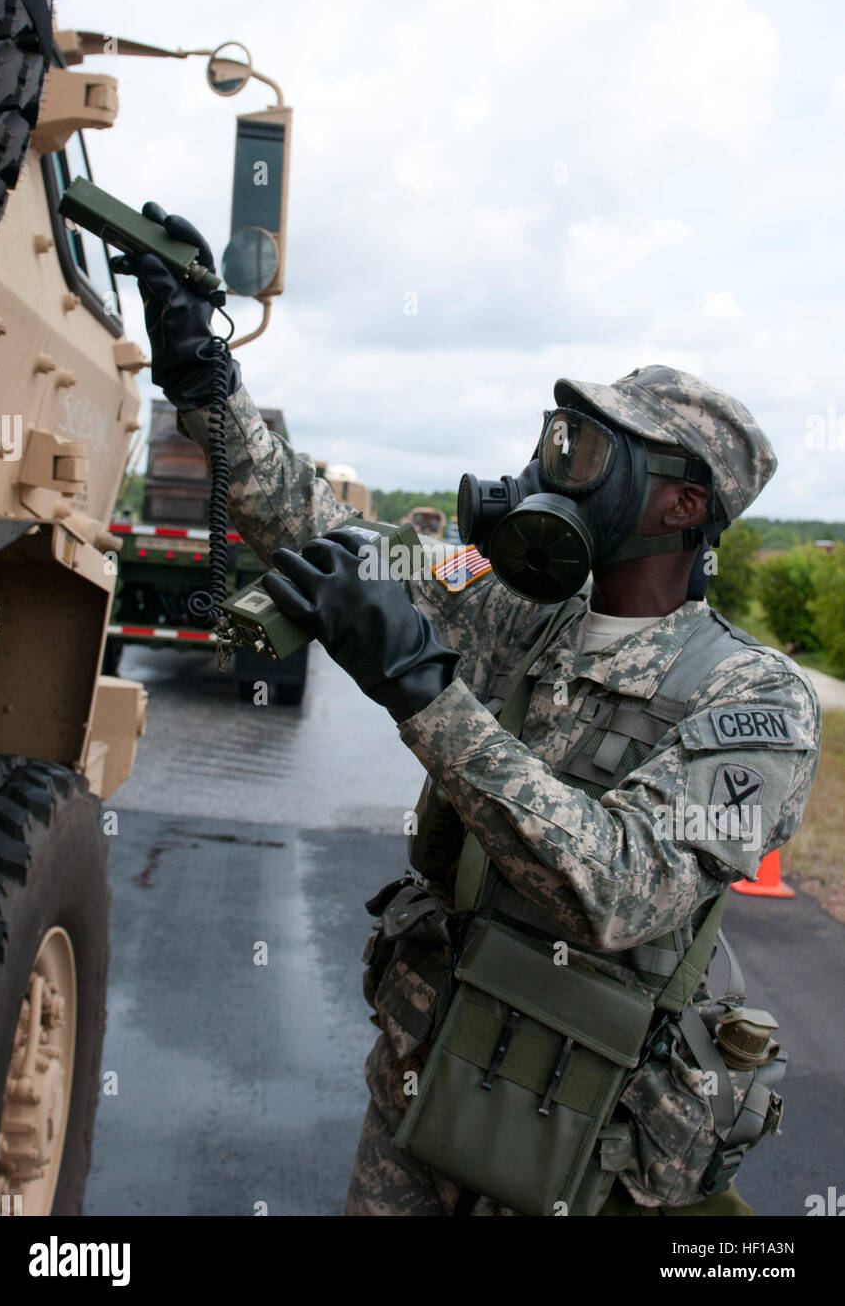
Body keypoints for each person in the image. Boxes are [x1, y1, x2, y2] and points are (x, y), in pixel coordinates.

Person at [112, 210, 821, 1218]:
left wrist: (420, 689)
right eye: (560, 443)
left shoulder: (754, 700)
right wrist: (204, 376)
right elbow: (324, 527)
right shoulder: (508, 602)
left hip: (579, 1142)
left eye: (592, 457)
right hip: (428, 1078)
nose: (557, 471)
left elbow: (616, 888)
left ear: (680, 506)